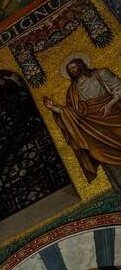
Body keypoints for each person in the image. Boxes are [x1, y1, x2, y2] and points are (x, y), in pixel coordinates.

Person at [45, 57, 121, 191]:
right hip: (93, 128)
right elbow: (70, 113)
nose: (73, 70)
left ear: (82, 65)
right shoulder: (72, 91)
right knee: (97, 152)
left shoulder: (100, 73)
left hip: (113, 116)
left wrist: (110, 104)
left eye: (74, 67)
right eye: (70, 69)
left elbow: (118, 88)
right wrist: (52, 108)